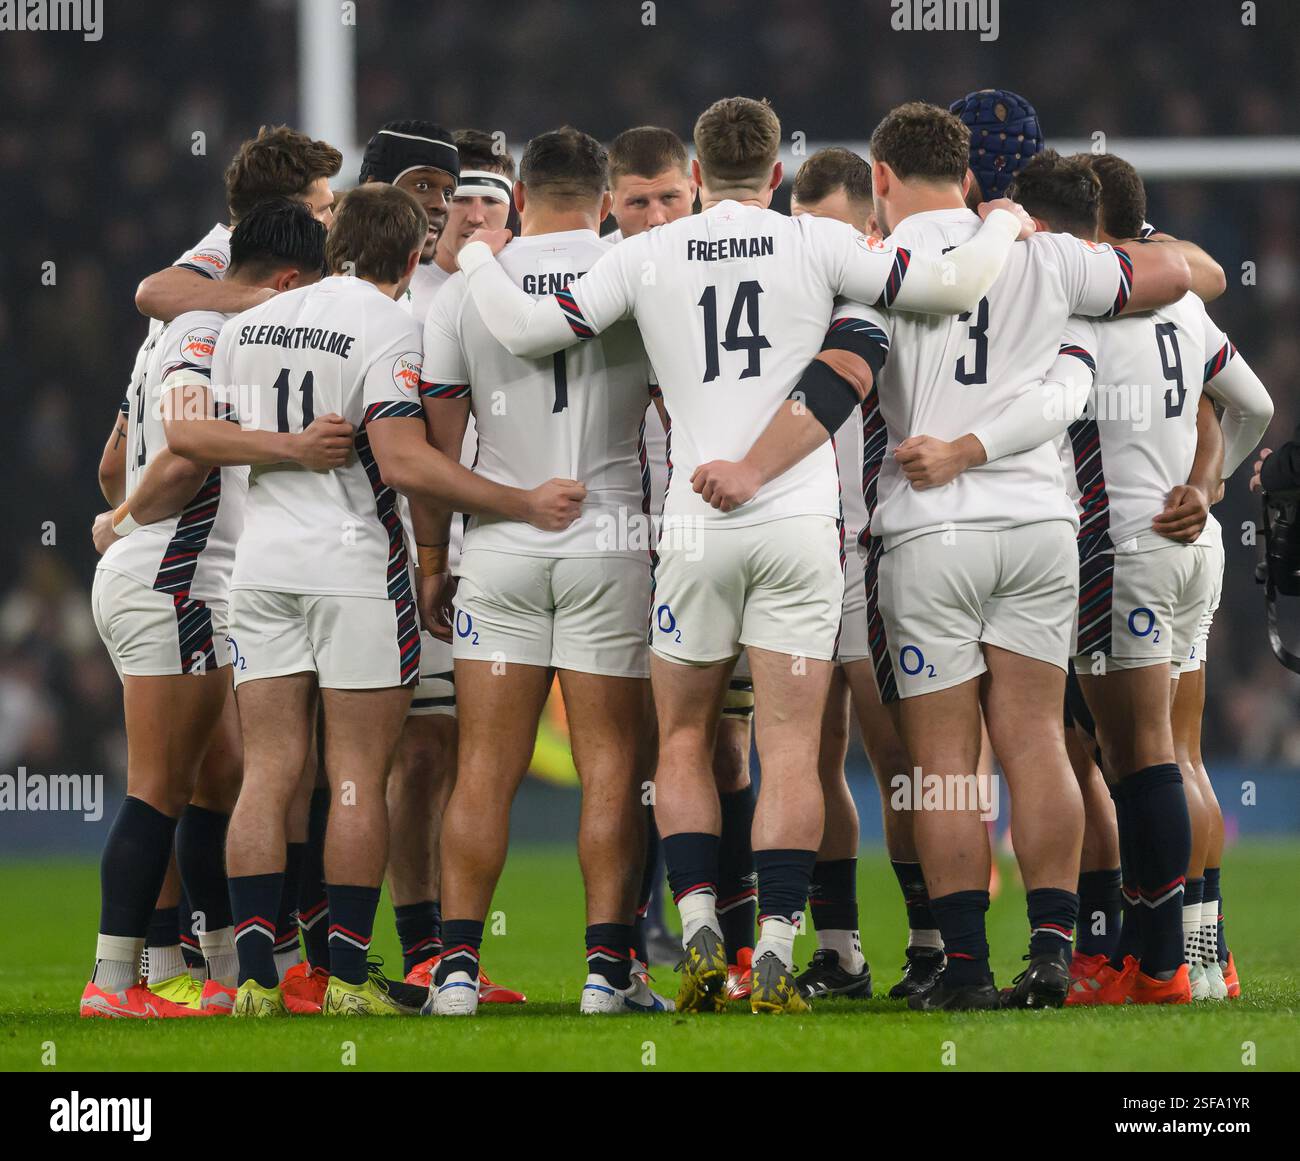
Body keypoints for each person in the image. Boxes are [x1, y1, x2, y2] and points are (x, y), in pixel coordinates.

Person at [455, 95, 1032, 1013]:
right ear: (774, 175)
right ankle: (777, 945)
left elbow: (529, 330)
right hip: (799, 525)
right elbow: (951, 288)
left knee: (683, 738)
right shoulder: (818, 242)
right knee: (793, 749)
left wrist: (481, 254)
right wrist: (1000, 221)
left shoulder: (644, 252)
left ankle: (694, 935)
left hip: (693, 521)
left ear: (696, 173)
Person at [165, 183, 584, 1016]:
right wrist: (518, 501)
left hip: (262, 565)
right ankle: (350, 983)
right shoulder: (391, 325)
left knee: (272, 769)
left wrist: (280, 448)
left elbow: (196, 433)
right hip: (353, 566)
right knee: (355, 774)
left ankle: (255, 979)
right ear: (409, 257)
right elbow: (403, 462)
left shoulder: (246, 324)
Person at [422, 127, 671, 1015]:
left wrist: (435, 555)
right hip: (610, 538)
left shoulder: (462, 292)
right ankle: (608, 971)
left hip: (501, 541)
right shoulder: (640, 270)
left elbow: (442, 442)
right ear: (606, 200)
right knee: (613, 763)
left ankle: (454, 969)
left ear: (519, 198)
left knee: (485, 763)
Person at [81, 200, 329, 1018]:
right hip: (174, 580)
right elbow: (185, 449)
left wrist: (121, 514)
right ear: (287, 279)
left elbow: (118, 458)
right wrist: (126, 524)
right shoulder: (215, 334)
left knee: (221, 777)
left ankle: (223, 973)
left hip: (176, 579)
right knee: (159, 788)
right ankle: (115, 984)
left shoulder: (180, 331)